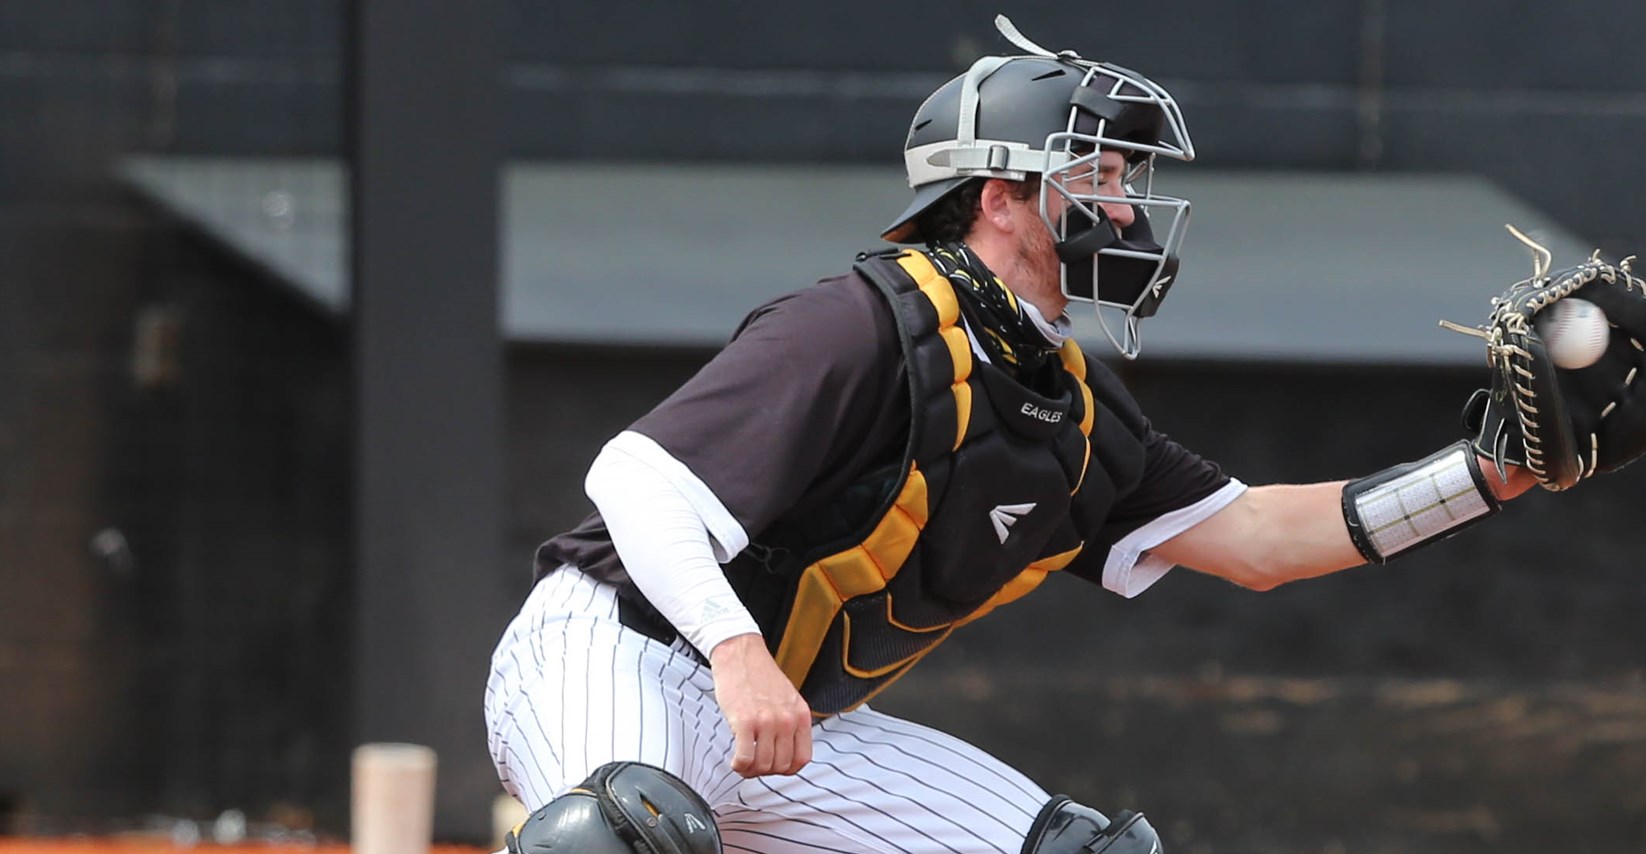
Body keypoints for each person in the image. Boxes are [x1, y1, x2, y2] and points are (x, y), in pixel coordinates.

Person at [483, 17, 1538, 854]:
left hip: (789, 718)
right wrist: (737, 652)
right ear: (1000, 198)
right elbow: (637, 479)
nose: (1125, 209)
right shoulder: (860, 325)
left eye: (1125, 181)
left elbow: (1262, 540)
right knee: (622, 834)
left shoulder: (1075, 407)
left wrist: (1496, 470)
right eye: (1098, 178)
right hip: (624, 652)